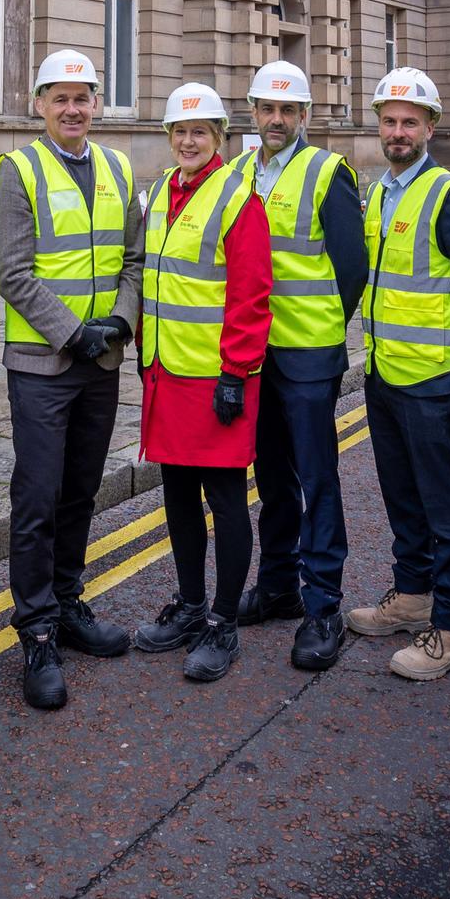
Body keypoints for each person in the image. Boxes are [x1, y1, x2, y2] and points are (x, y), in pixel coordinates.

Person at [0, 50, 144, 710]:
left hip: (100, 363)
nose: (73, 108)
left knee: (81, 492)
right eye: (60, 98)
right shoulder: (17, 170)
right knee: (38, 500)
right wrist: (70, 332)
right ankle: (37, 630)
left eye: (83, 97)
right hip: (44, 367)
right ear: (40, 104)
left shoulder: (116, 166)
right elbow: (11, 271)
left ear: (96, 104)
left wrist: (119, 323)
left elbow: (134, 260)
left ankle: (69, 603)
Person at [345, 67, 450, 681]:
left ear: (430, 126)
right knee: (402, 496)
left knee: (444, 505)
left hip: (434, 378)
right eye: (390, 121)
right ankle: (412, 598)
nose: (399, 131)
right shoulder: (381, 192)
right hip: (386, 372)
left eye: (410, 121)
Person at [133, 85, 272, 684]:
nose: (188, 142)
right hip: (168, 378)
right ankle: (190, 606)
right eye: (179, 132)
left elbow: (251, 296)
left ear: (218, 138)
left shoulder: (239, 200)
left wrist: (235, 375)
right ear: (169, 137)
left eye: (200, 133)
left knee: (226, 502)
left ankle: (222, 622)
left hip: (219, 384)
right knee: (178, 499)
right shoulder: (160, 194)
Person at [235, 61, 367, 671]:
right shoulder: (238, 172)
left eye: (289, 111)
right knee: (273, 478)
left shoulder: (326, 171)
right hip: (255, 355)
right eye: (268, 109)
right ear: (254, 111)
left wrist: (320, 332)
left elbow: (350, 268)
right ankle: (280, 585)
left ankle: (324, 606)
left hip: (309, 354)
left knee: (317, 479)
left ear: (306, 116)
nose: (277, 120)